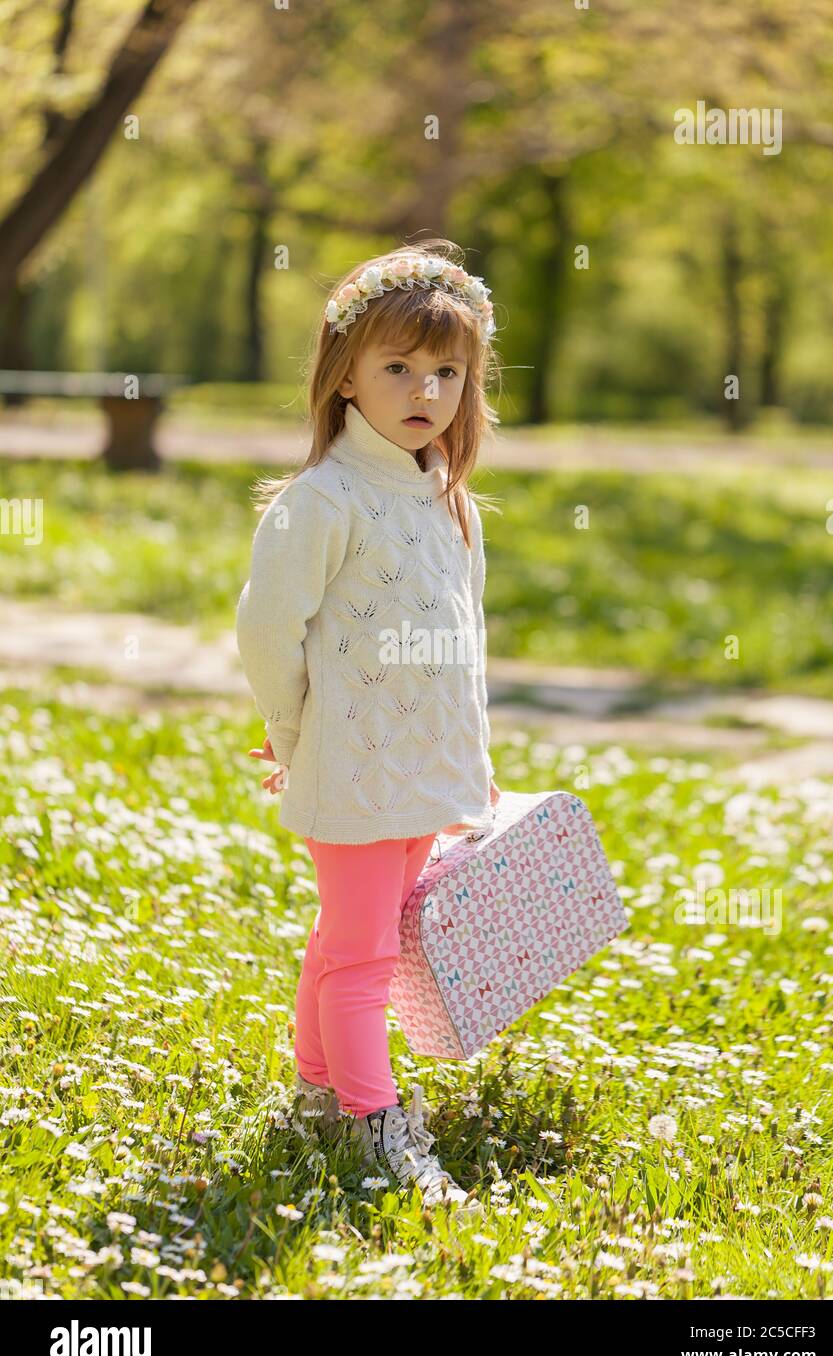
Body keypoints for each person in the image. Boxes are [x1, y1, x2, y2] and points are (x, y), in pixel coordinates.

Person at [235, 237, 501, 1217]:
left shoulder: (446, 499)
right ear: (344, 373)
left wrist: (469, 763)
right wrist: (294, 731)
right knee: (363, 959)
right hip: (347, 770)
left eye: (445, 371)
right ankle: (375, 1123)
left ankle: (316, 1090)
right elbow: (268, 628)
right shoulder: (322, 502)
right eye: (397, 366)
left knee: (357, 937)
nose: (423, 387)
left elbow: (462, 650)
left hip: (419, 777)